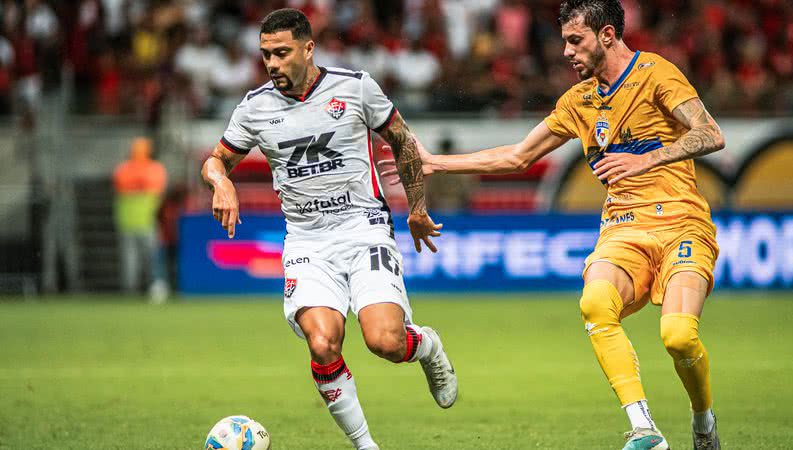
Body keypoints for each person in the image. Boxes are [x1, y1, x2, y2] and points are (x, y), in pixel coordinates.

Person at [382, 1, 724, 449]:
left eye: (574, 40)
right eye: (565, 40)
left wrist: (646, 159)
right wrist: (437, 164)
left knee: (678, 337)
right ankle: (644, 429)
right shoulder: (578, 101)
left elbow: (710, 133)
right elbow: (517, 156)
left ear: (606, 35)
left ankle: (702, 421)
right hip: (623, 229)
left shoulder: (657, 74)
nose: (565, 51)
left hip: (683, 224)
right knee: (595, 304)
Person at [200, 9, 457, 450]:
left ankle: (426, 346)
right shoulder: (255, 107)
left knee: (385, 341)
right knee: (323, 344)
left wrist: (416, 207)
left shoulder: (354, 87)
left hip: (365, 228)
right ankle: (365, 446)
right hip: (306, 241)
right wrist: (221, 181)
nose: (273, 64)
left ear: (308, 48)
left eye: (282, 53)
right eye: (266, 55)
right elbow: (216, 158)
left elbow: (402, 140)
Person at [112, 136, 168, 302]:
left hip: (147, 220)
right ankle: (132, 291)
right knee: (132, 261)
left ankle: (154, 287)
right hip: (130, 221)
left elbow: (154, 186)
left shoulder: (153, 169)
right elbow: (123, 184)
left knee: (150, 258)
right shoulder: (126, 169)